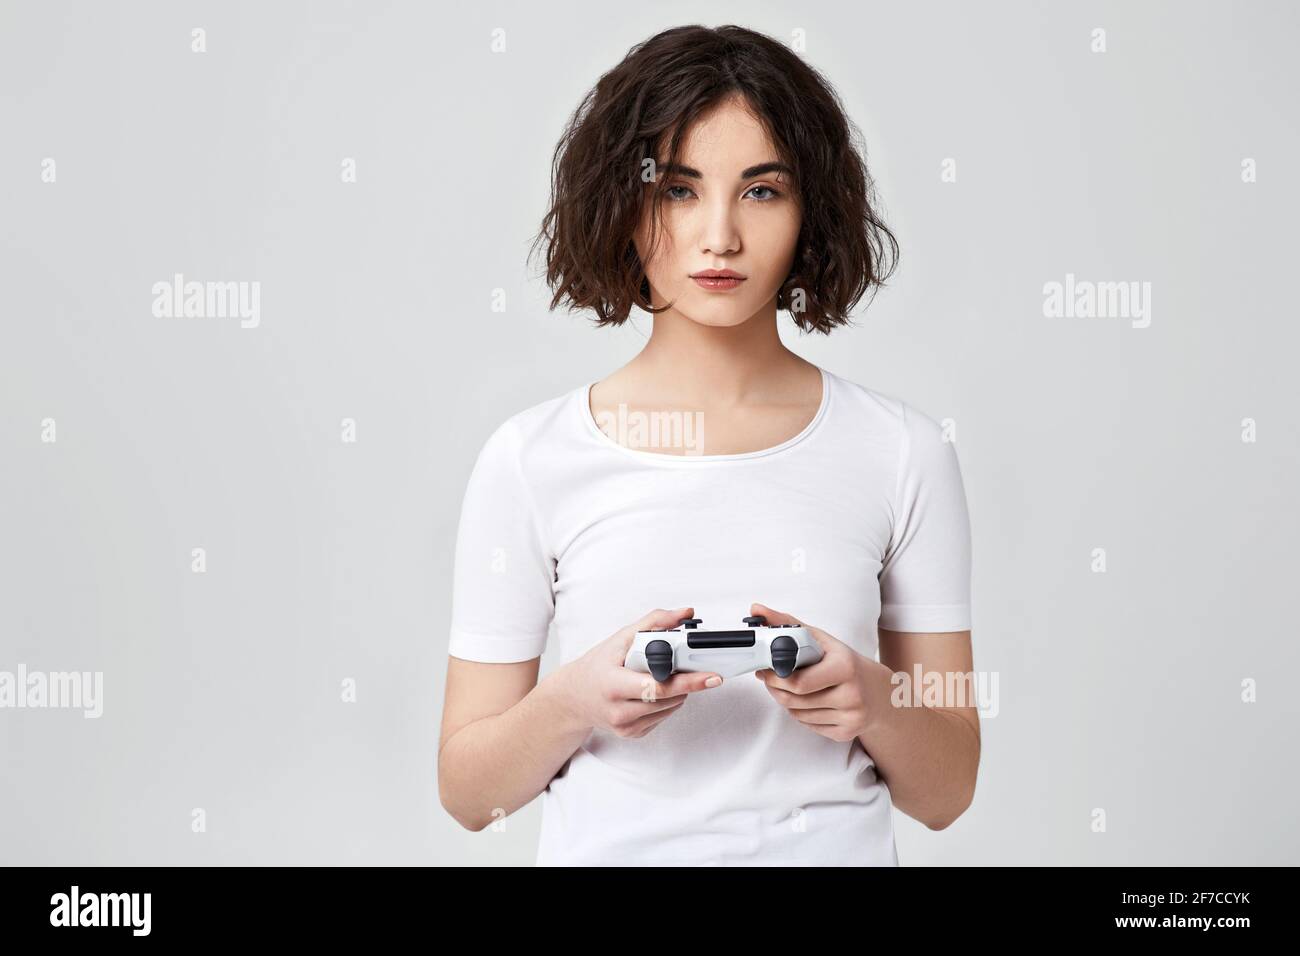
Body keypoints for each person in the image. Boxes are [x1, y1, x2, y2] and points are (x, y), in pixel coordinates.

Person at [438, 24, 978, 866]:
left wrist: (872, 701)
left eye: (762, 191)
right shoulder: (530, 460)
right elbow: (470, 794)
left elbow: (947, 794)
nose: (719, 236)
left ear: (812, 211)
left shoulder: (904, 452)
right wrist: (572, 703)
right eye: (678, 190)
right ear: (621, 202)